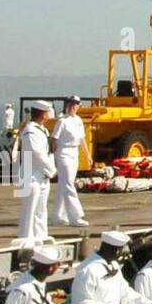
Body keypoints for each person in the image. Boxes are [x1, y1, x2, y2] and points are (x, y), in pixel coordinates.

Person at [16, 100, 56, 246]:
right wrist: (51, 170)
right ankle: (25, 244)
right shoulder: (30, 131)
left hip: (42, 176)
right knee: (29, 212)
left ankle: (41, 241)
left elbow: (48, 153)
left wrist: (49, 171)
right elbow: (36, 154)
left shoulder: (42, 130)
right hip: (31, 176)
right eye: (48, 112)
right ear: (43, 114)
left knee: (41, 212)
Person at [51, 96, 90, 227]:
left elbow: (82, 139)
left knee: (64, 184)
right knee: (68, 184)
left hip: (74, 153)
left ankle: (57, 216)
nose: (73, 107)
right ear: (67, 105)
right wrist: (53, 157)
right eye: (71, 104)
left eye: (76, 104)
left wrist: (88, 156)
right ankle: (75, 216)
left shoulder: (78, 120)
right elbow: (54, 140)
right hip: (63, 152)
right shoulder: (62, 121)